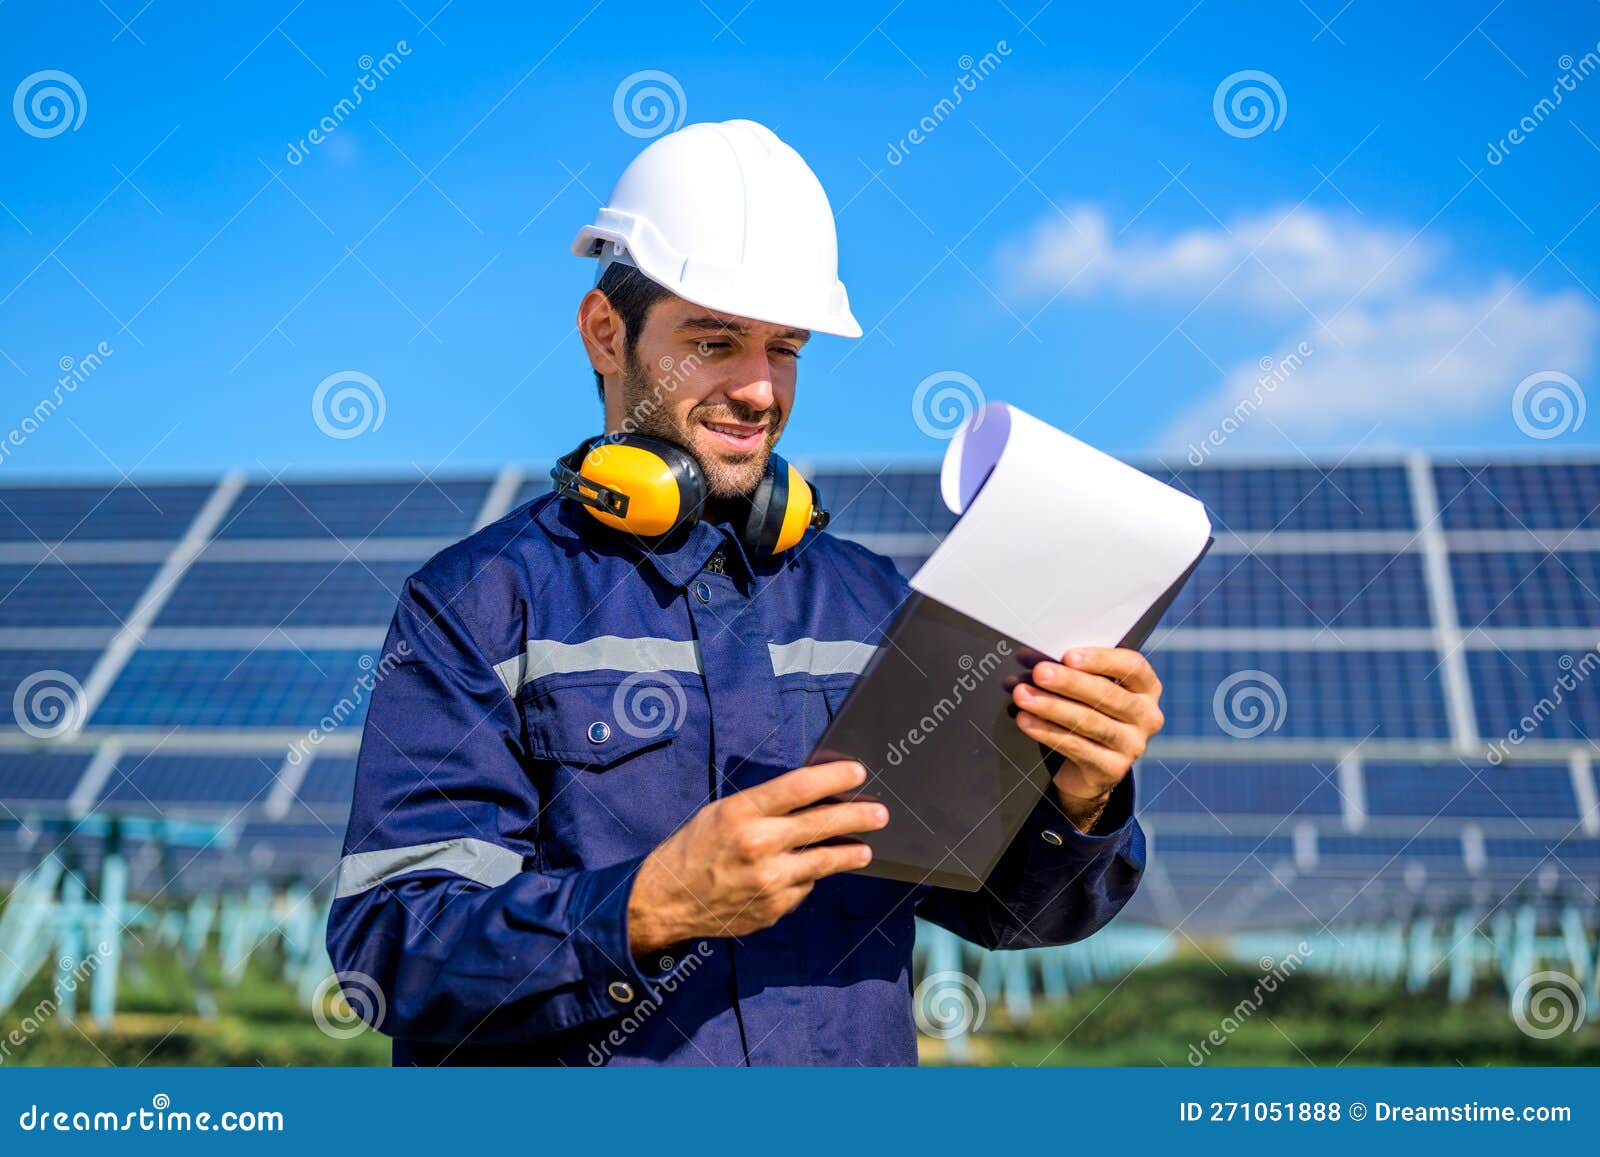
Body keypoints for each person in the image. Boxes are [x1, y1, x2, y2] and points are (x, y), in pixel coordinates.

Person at [326, 119, 1160, 1066]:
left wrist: (1083, 798)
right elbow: (388, 951)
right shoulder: (478, 605)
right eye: (715, 342)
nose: (760, 390)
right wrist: (649, 906)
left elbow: (1013, 912)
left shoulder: (874, 605)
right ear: (607, 334)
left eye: (787, 348)